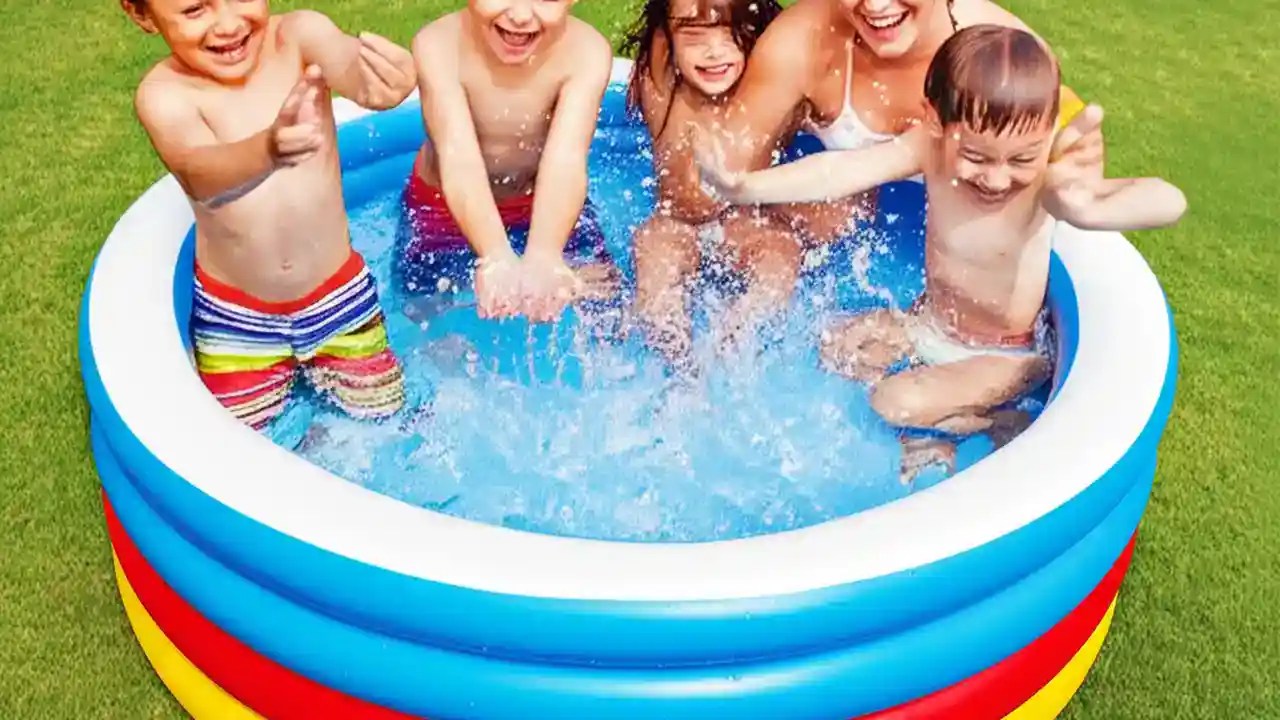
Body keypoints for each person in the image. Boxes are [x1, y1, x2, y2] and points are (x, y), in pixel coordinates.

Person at [698, 25, 1187, 481]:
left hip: (1005, 353)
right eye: (975, 156)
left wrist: (1089, 206)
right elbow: (841, 172)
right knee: (833, 346)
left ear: (1045, 138)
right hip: (929, 323)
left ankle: (995, 422)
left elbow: (1170, 201)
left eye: (1021, 158)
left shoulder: (1048, 184)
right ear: (935, 120)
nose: (998, 178)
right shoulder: (928, 147)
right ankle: (941, 416)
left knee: (893, 401)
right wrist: (746, 187)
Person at [123, 0, 417, 430]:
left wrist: (388, 83)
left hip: (337, 299)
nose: (228, 24)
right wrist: (267, 150)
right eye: (193, 10)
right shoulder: (165, 94)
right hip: (236, 322)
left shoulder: (299, 36)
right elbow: (198, 173)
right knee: (245, 445)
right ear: (142, 14)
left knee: (383, 419)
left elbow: (355, 72)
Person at [717, 0, 1106, 241]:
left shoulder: (1003, 55)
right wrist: (804, 218)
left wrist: (1077, 156)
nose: (876, 5)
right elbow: (717, 185)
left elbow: (1068, 147)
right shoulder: (803, 41)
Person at [396, 0, 620, 325]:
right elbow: (458, 158)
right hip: (444, 208)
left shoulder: (586, 52)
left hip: (540, 202)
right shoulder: (438, 46)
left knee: (606, 298)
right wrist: (495, 255)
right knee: (422, 309)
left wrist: (545, 253)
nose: (519, 15)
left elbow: (567, 159)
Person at [620, 0, 798, 368]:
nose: (714, 51)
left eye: (731, 35)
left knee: (782, 255)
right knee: (652, 256)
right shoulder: (662, 80)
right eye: (695, 35)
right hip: (675, 224)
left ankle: (731, 349)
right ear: (668, 39)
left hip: (748, 225)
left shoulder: (772, 92)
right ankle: (681, 367)